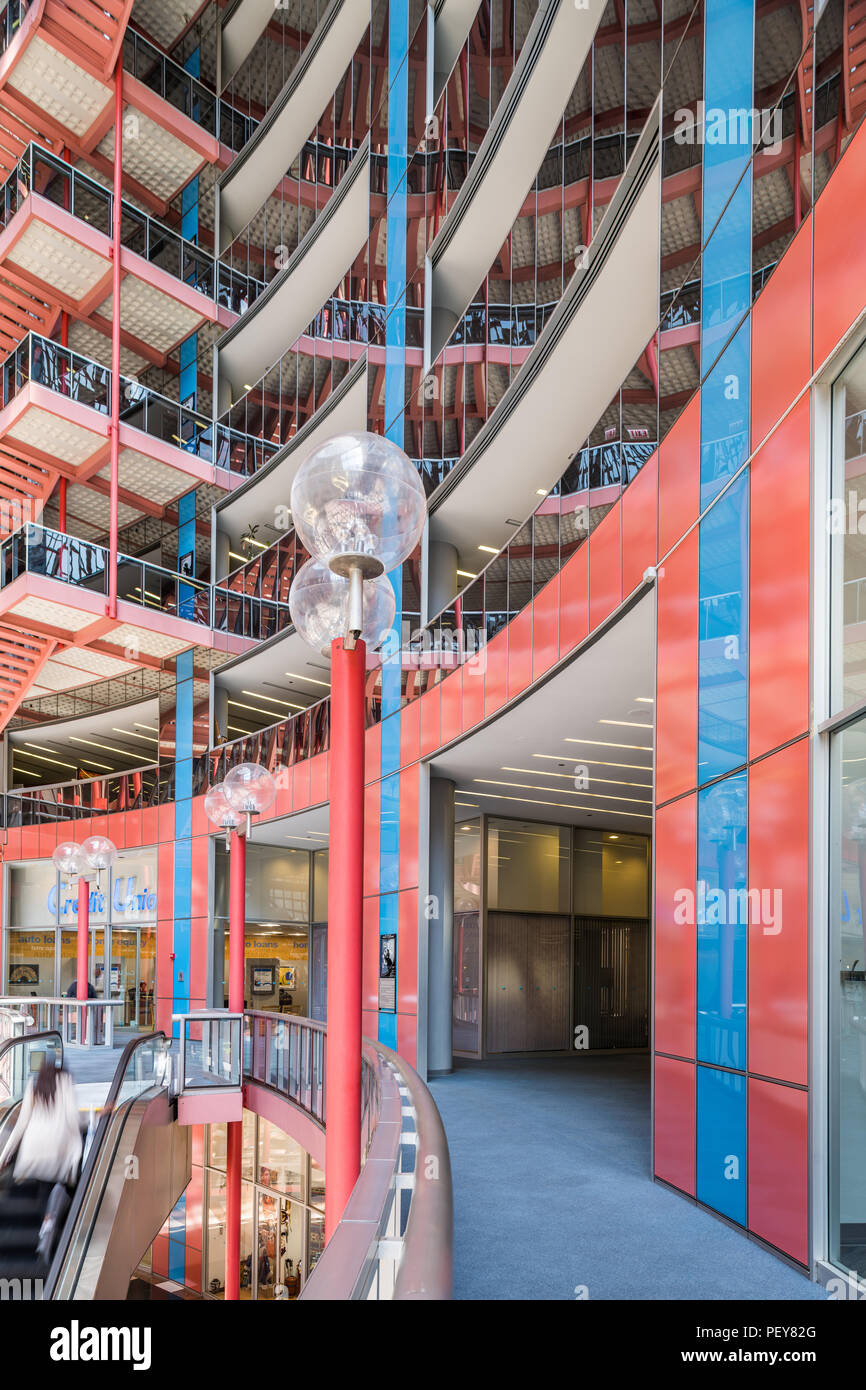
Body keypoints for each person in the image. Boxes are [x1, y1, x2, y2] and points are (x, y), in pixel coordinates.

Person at [0, 1059, 82, 1188]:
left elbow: (21, 1124)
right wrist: (96, 1116)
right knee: (58, 1189)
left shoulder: (33, 1088)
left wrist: (4, 1157)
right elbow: (74, 1119)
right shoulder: (65, 1083)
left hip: (31, 1154)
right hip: (58, 1155)